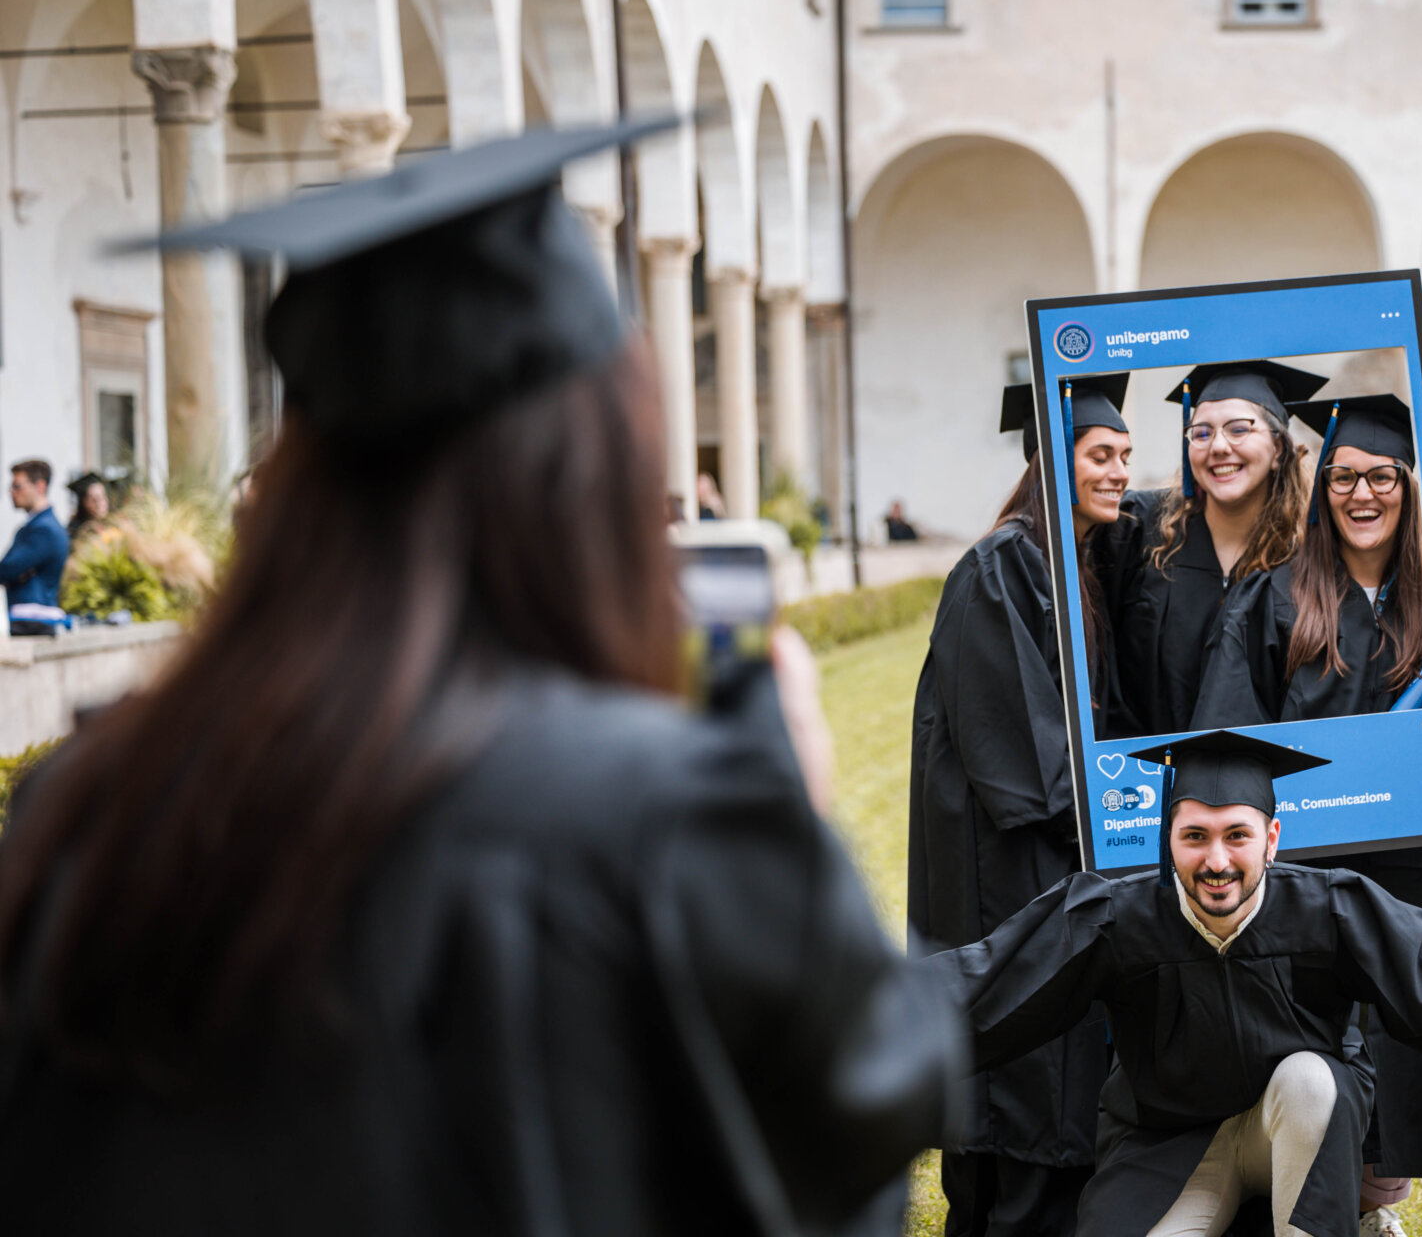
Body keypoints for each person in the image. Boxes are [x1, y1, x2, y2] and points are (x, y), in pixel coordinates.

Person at [0, 119, 960, 1236]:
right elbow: (833, 1189)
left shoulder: (83, 807)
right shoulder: (681, 825)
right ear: (598, 468)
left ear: (297, 482)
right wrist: (789, 815)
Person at [931, 730, 1422, 1237]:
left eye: (1237, 835)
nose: (1216, 861)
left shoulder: (1332, 909)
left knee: (1313, 1077)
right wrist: (862, 1015)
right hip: (1166, 1142)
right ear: (1164, 838)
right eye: (1194, 836)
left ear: (1273, 837)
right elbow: (991, 981)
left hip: (1302, 1131)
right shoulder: (1118, 917)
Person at [1191, 394, 1422, 1235]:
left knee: (1406, 1039)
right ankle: (1315, 1202)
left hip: (1420, 874)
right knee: (1308, 1043)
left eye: (1381, 477)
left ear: (1408, 486)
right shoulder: (1274, 597)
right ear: (1322, 490)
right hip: (1306, 874)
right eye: (1344, 478)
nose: (1363, 494)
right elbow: (1229, 735)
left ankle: (1369, 1203)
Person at [908, 373, 1132, 1237]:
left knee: (1054, 1096)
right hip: (1008, 877)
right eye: (1099, 454)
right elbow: (1024, 764)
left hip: (1052, 872)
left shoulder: (1073, 566)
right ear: (1051, 464)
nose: (1118, 471)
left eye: (1125, 455)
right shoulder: (1001, 567)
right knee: (1023, 1105)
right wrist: (1130, 811)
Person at [1103, 361, 1326, 738]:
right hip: (1141, 768)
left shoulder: (1309, 559)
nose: (1219, 447)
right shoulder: (1136, 529)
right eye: (1202, 433)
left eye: (1239, 429)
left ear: (1277, 450)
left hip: (1265, 771)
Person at [3, 459, 71, 635]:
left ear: (40, 486)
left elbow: (7, 569)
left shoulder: (44, 530)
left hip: (33, 623)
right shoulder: (36, 526)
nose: (11, 492)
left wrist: (13, 573)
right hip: (30, 621)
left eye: (17, 486)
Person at [65, 472, 112, 540]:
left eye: (102, 496)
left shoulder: (116, 524)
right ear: (84, 503)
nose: (99, 504)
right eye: (94, 499)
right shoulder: (75, 532)